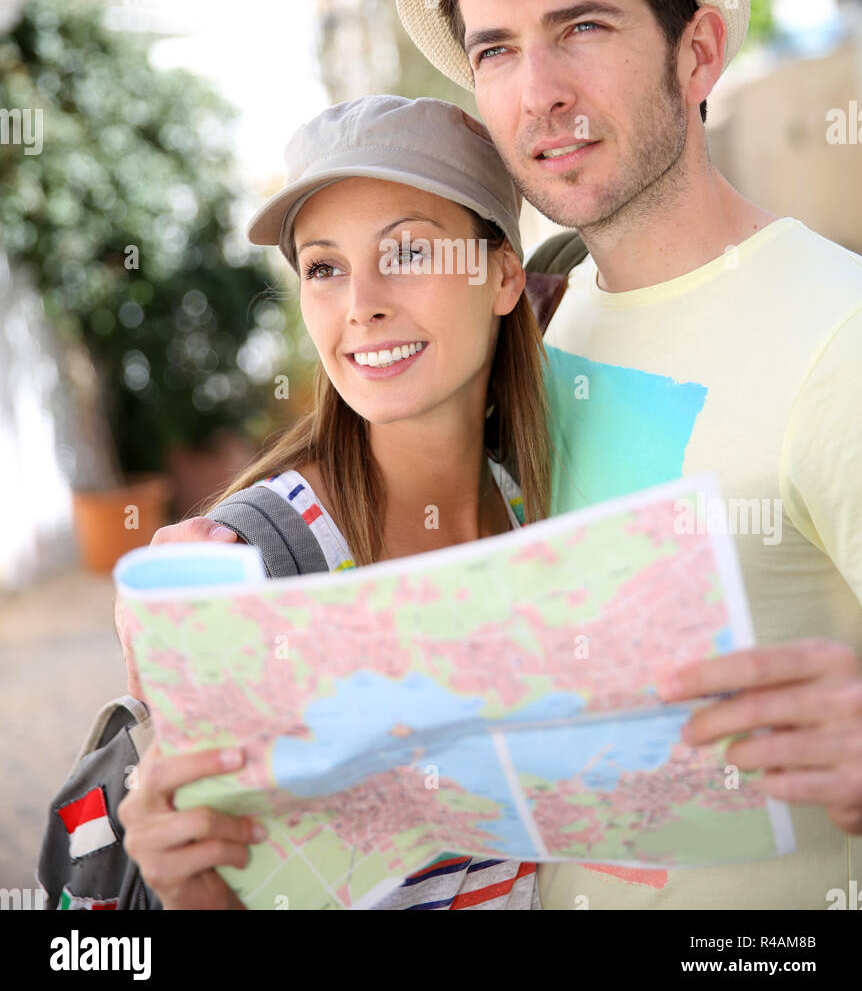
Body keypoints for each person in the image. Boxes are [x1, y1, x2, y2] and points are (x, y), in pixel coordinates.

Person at [392, 0, 862, 910]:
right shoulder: (537, 332)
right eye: (495, 49)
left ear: (695, 52)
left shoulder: (840, 336)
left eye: (581, 30)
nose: (536, 93)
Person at [118, 93, 550, 911]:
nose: (361, 304)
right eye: (324, 267)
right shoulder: (256, 568)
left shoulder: (532, 508)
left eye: (409, 252)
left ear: (501, 274)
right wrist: (185, 883)